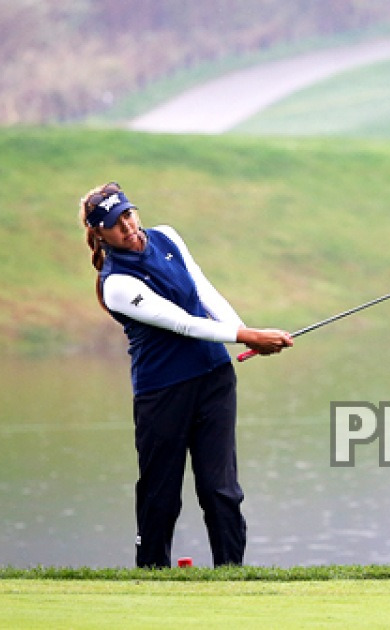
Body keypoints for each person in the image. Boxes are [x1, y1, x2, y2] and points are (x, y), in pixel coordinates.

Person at [78, 181, 292, 568]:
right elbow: (183, 324)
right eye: (114, 223)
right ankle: (152, 577)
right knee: (161, 495)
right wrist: (247, 336)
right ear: (100, 233)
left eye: (128, 214)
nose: (127, 226)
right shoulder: (116, 285)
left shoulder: (166, 236)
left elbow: (203, 291)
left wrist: (245, 333)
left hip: (214, 378)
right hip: (162, 392)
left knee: (220, 489)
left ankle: (231, 577)